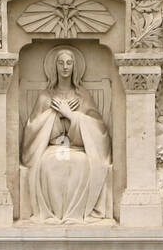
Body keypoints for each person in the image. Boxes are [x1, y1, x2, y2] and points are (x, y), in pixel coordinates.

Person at [20, 46, 112, 223]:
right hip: (53, 148)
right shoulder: (45, 97)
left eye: (69, 63)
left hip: (77, 148)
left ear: (74, 67)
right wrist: (54, 115)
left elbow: (99, 128)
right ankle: (53, 215)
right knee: (49, 164)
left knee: (81, 163)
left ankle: (73, 215)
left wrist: (71, 116)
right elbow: (32, 130)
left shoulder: (83, 96)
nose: (65, 67)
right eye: (61, 63)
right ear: (54, 66)